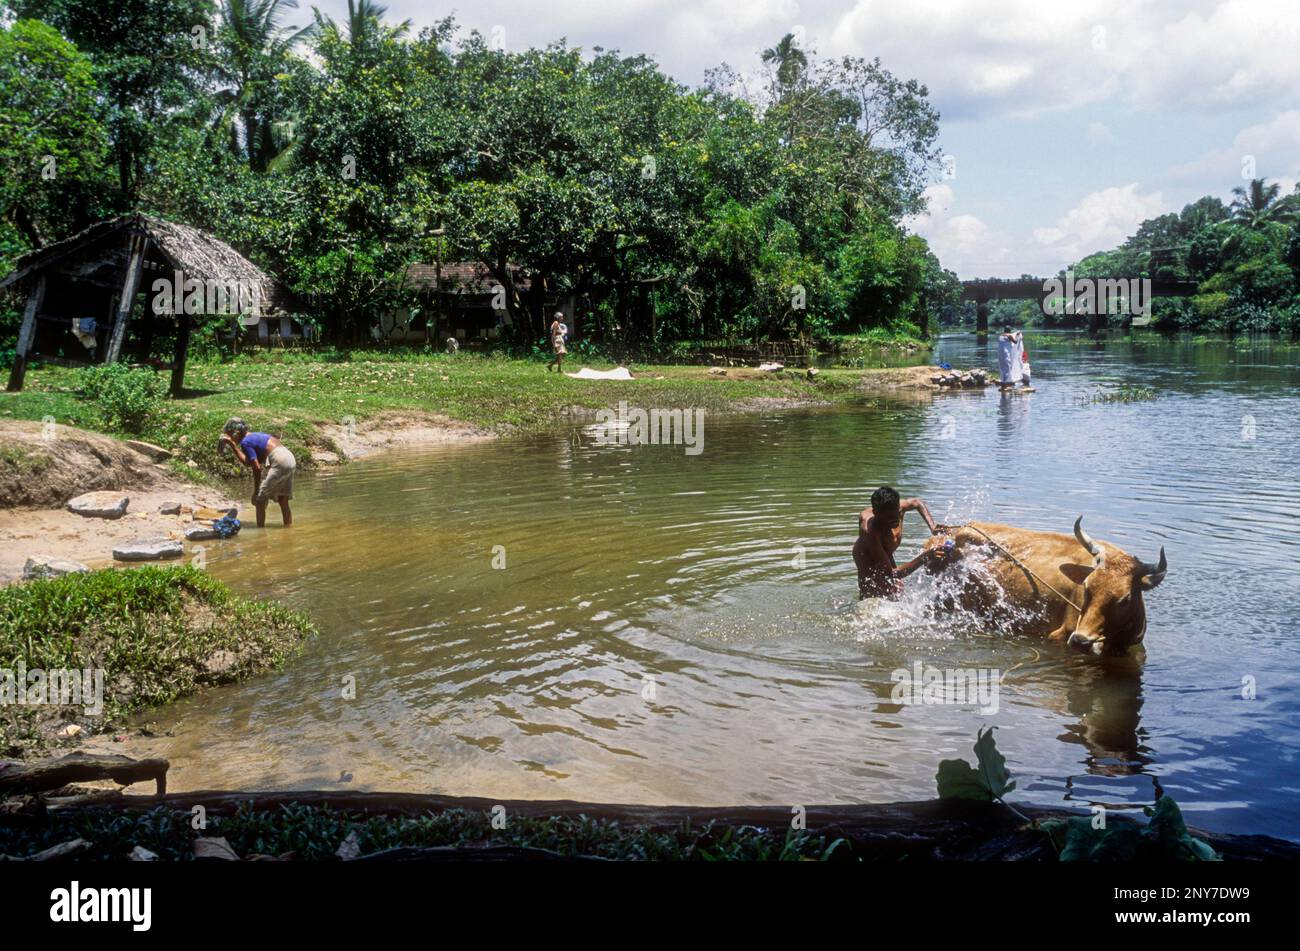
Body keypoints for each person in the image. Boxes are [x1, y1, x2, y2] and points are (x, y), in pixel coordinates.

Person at [853, 486, 949, 600]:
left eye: (897, 514)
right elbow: (892, 573)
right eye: (889, 517)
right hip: (867, 557)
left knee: (897, 590)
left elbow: (917, 502)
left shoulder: (897, 508)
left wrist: (933, 527)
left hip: (885, 551)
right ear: (876, 513)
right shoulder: (870, 532)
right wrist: (926, 555)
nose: (895, 520)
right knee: (873, 597)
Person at [220, 417, 295, 528]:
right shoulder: (254, 436)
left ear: (236, 433)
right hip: (289, 458)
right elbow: (248, 462)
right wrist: (233, 445)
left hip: (279, 460)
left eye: (230, 434)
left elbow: (256, 467)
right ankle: (288, 530)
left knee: (259, 500)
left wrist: (256, 491)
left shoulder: (245, 442)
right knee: (283, 499)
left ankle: (260, 532)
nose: (230, 437)